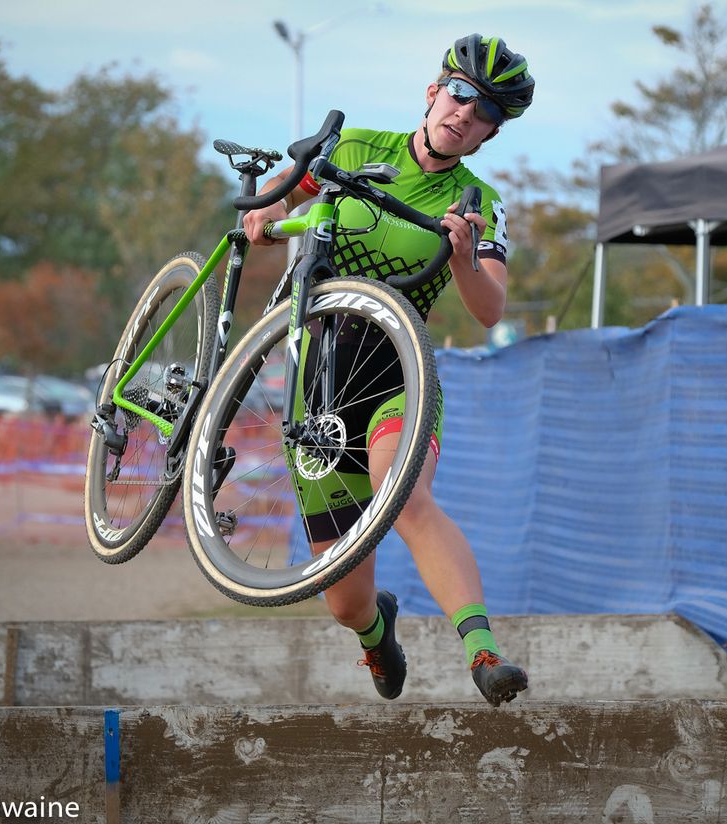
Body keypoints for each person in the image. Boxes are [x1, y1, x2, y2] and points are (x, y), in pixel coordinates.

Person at [242, 34, 533, 706]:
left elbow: (490, 309)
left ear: (490, 133)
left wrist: (463, 257)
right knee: (345, 600)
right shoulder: (355, 148)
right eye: (460, 93)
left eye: (485, 110)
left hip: (397, 374)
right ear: (434, 92)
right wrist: (267, 215)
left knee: (403, 496)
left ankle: (482, 653)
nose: (465, 111)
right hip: (317, 388)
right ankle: (378, 635)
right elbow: (293, 201)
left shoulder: (474, 198)